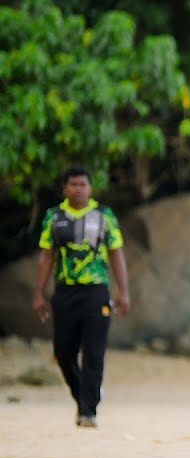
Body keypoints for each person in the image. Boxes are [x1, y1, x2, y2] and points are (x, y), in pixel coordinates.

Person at [33, 166, 131, 428]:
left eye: (83, 185)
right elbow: (46, 256)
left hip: (96, 291)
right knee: (63, 353)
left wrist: (123, 292)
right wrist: (38, 293)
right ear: (65, 188)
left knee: (94, 352)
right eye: (73, 185)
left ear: (90, 188)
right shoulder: (54, 217)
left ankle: (88, 412)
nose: (78, 189)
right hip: (65, 290)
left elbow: (116, 253)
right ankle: (85, 397)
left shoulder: (104, 216)